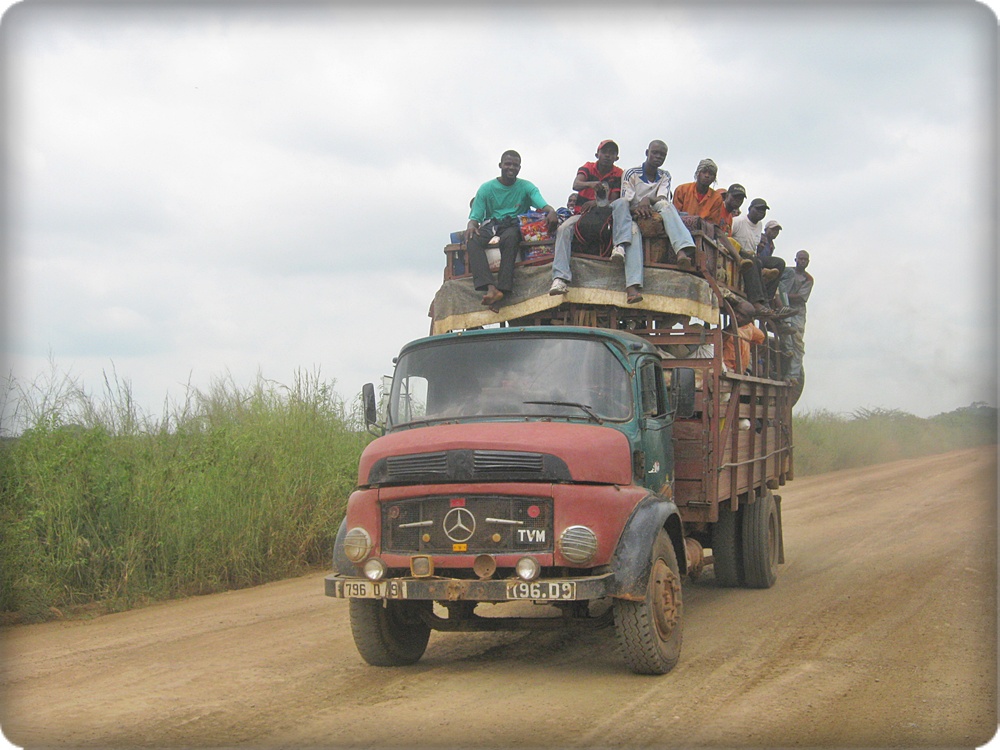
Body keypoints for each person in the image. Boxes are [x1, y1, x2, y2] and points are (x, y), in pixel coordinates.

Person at [466, 150, 558, 311]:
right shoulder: (486, 188)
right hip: (492, 224)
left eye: (515, 165)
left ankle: (503, 290)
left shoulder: (526, 187)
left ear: (519, 168)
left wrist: (551, 211)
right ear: (500, 165)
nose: (511, 168)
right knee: (473, 240)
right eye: (508, 164)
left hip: (513, 224)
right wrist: (471, 226)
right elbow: (475, 217)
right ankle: (490, 287)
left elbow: (542, 204)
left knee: (510, 239)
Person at [549, 140, 637, 301]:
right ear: (598, 154)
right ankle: (560, 278)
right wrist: (592, 185)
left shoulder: (619, 173)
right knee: (564, 229)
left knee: (623, 205)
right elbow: (576, 184)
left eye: (612, 153)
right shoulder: (588, 167)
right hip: (582, 214)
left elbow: (616, 198)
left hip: (606, 214)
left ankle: (620, 247)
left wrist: (596, 202)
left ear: (617, 157)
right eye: (605, 152)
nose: (608, 155)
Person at [731, 198, 786, 314]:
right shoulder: (737, 221)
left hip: (753, 256)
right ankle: (756, 301)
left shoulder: (759, 225)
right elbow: (726, 238)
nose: (761, 212)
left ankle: (768, 300)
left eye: (763, 210)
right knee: (754, 261)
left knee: (780, 263)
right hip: (738, 254)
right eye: (758, 209)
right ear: (750, 209)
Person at [778, 250, 814, 389]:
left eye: (805, 259)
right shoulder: (787, 272)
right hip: (782, 307)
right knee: (784, 331)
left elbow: (800, 297)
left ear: (808, 262)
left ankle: (793, 375)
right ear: (796, 259)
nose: (803, 261)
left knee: (797, 341)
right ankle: (787, 350)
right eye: (800, 259)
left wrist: (783, 295)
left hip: (797, 311)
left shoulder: (808, 279)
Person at [672, 159, 724, 225]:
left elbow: (713, 222)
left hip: (704, 231)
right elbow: (674, 215)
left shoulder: (717, 198)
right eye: (704, 172)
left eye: (711, 174)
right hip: (680, 227)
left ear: (714, 178)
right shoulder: (682, 189)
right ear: (698, 173)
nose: (707, 176)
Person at [722, 299, 765, 374]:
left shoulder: (735, 335)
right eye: (736, 312)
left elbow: (728, 363)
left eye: (742, 315)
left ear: (749, 320)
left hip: (730, 370)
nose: (736, 316)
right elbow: (761, 336)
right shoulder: (750, 328)